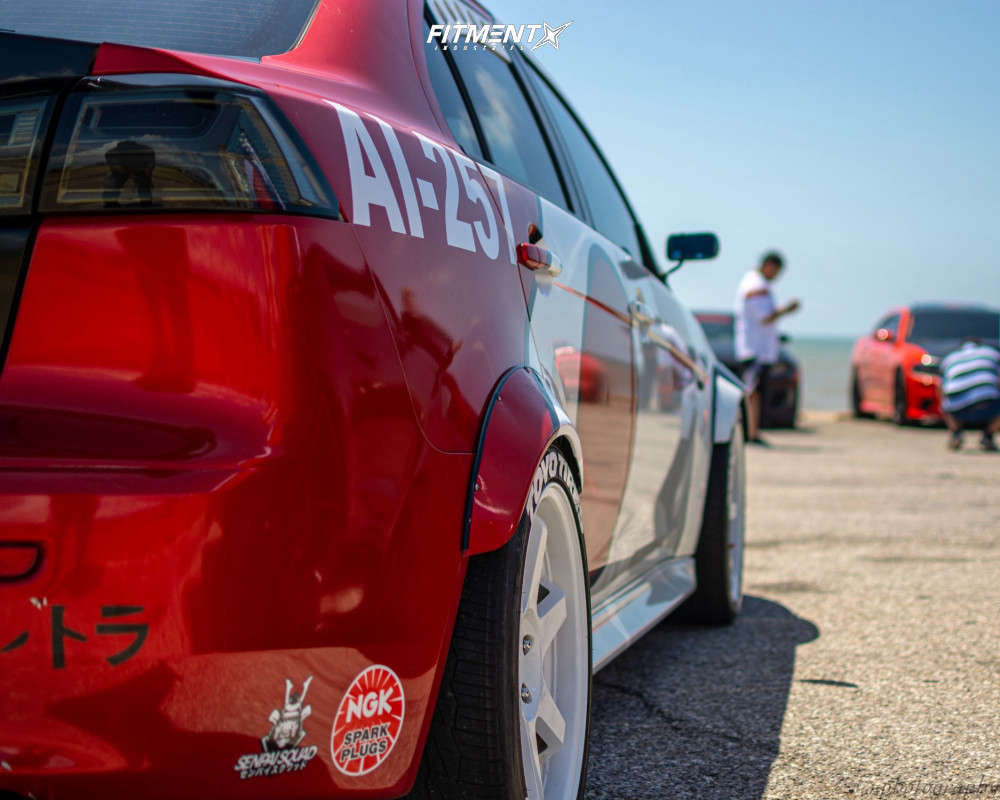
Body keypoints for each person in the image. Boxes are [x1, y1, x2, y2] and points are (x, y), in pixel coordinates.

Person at [734, 251, 800, 444]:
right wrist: (786, 309)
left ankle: (752, 431)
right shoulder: (756, 286)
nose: (776, 276)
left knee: (755, 391)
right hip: (754, 349)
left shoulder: (756, 284)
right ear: (769, 266)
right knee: (752, 390)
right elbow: (764, 317)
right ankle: (750, 432)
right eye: (777, 271)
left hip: (756, 348)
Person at [939, 338, 1000, 451]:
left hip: (957, 408)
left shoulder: (949, 358)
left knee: (946, 403)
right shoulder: (991, 353)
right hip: (986, 404)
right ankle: (988, 436)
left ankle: (956, 434)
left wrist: (943, 406)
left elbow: (942, 387)